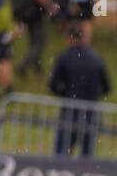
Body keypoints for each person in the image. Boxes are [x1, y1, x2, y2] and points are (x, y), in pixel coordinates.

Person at [48, 23, 111, 157]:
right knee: (87, 156)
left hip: (69, 112)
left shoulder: (64, 57)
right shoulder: (96, 59)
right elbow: (107, 87)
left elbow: (53, 85)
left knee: (61, 153)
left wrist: (65, 94)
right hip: (90, 113)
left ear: (69, 38)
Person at [11, 0, 53, 75]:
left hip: (24, 13)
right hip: (34, 13)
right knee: (40, 43)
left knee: (34, 42)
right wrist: (49, 7)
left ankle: (37, 69)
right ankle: (23, 65)